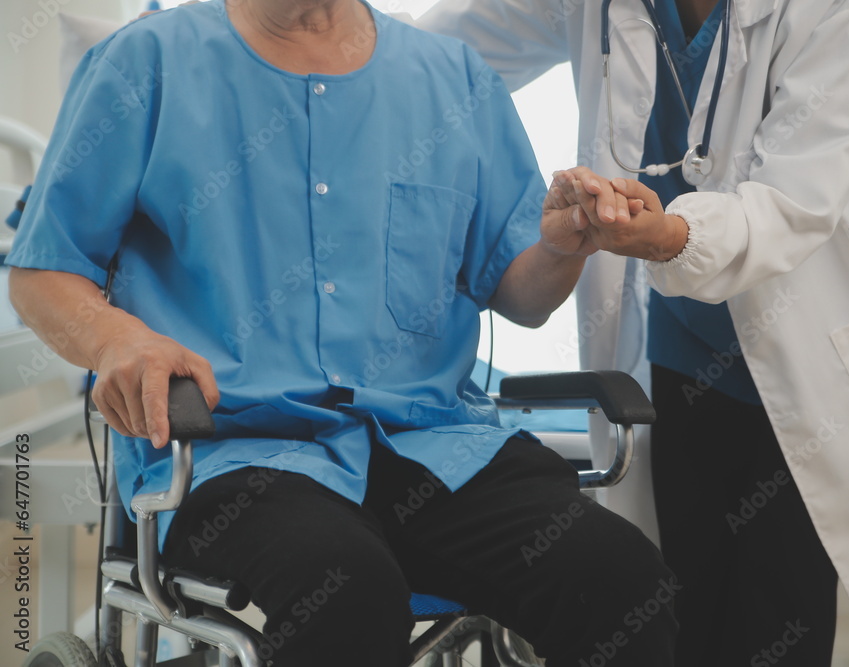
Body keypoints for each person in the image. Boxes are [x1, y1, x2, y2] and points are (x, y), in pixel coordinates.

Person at [4, 1, 677, 664]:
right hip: (234, 453)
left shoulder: (453, 78)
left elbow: (520, 295)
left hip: (433, 445)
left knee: (617, 576)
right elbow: (42, 269)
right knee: (344, 590)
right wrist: (115, 338)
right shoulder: (145, 64)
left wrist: (565, 246)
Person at [417, 0, 849, 665]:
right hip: (679, 344)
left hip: (813, 340)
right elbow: (441, 51)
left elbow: (796, 203)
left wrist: (672, 235)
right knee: (682, 611)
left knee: (778, 621)